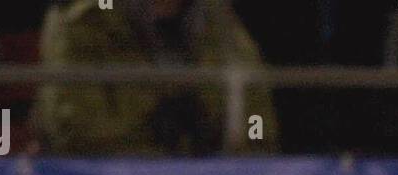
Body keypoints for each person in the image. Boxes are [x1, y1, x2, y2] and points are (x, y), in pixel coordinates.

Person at [35, 0, 278, 156]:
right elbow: (71, 129)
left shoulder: (218, 17)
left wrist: (228, 144)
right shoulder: (83, 19)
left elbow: (256, 121)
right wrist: (154, 137)